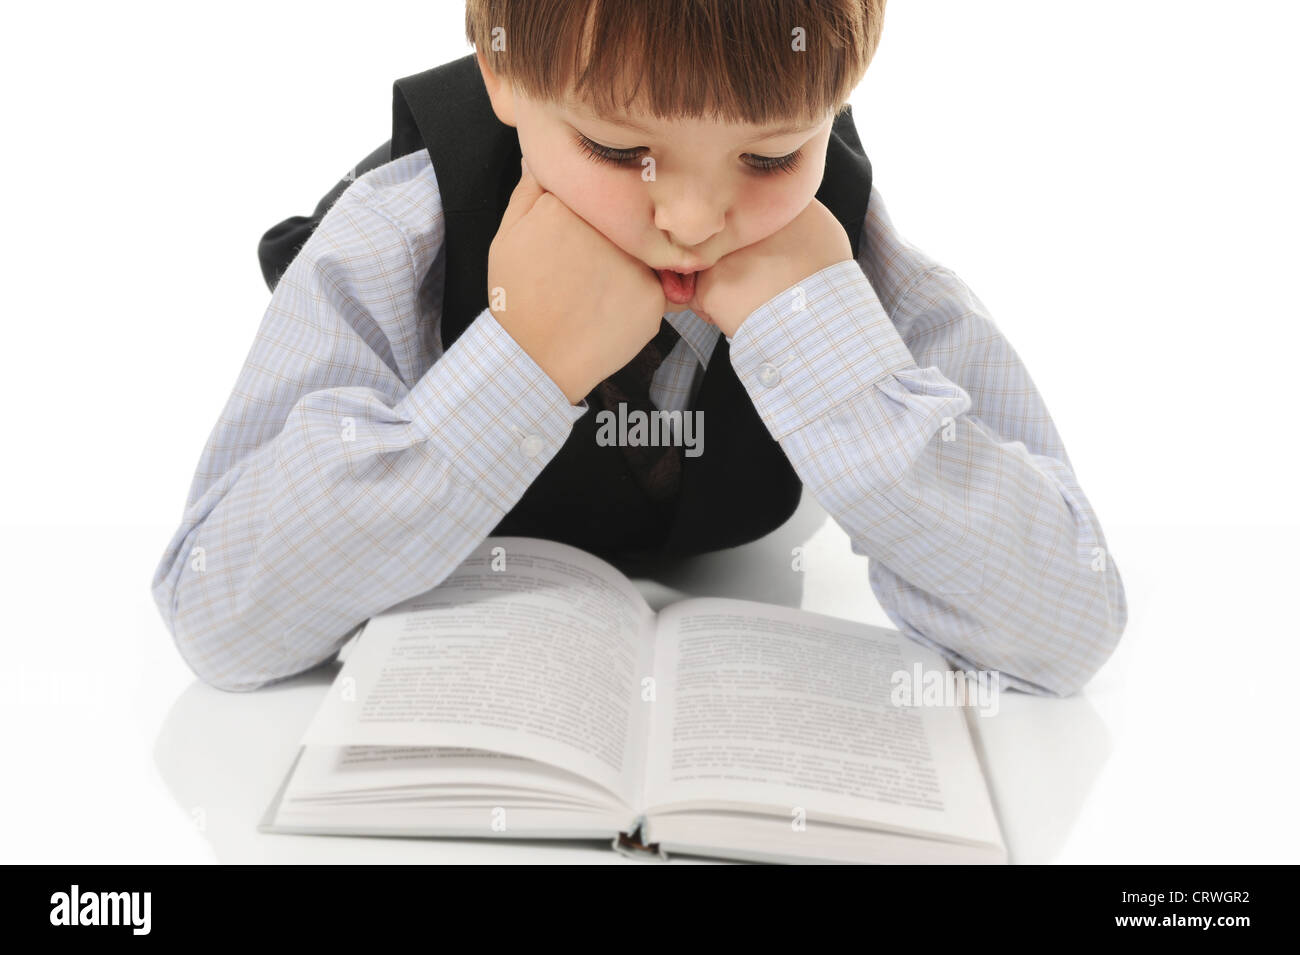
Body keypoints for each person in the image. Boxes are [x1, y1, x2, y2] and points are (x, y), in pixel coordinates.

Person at [150, 0, 1126, 696]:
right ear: (501, 72)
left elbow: (1071, 626)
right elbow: (215, 616)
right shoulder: (395, 237)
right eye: (621, 152)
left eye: (771, 155)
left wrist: (827, 352)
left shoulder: (855, 258)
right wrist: (519, 361)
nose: (692, 219)